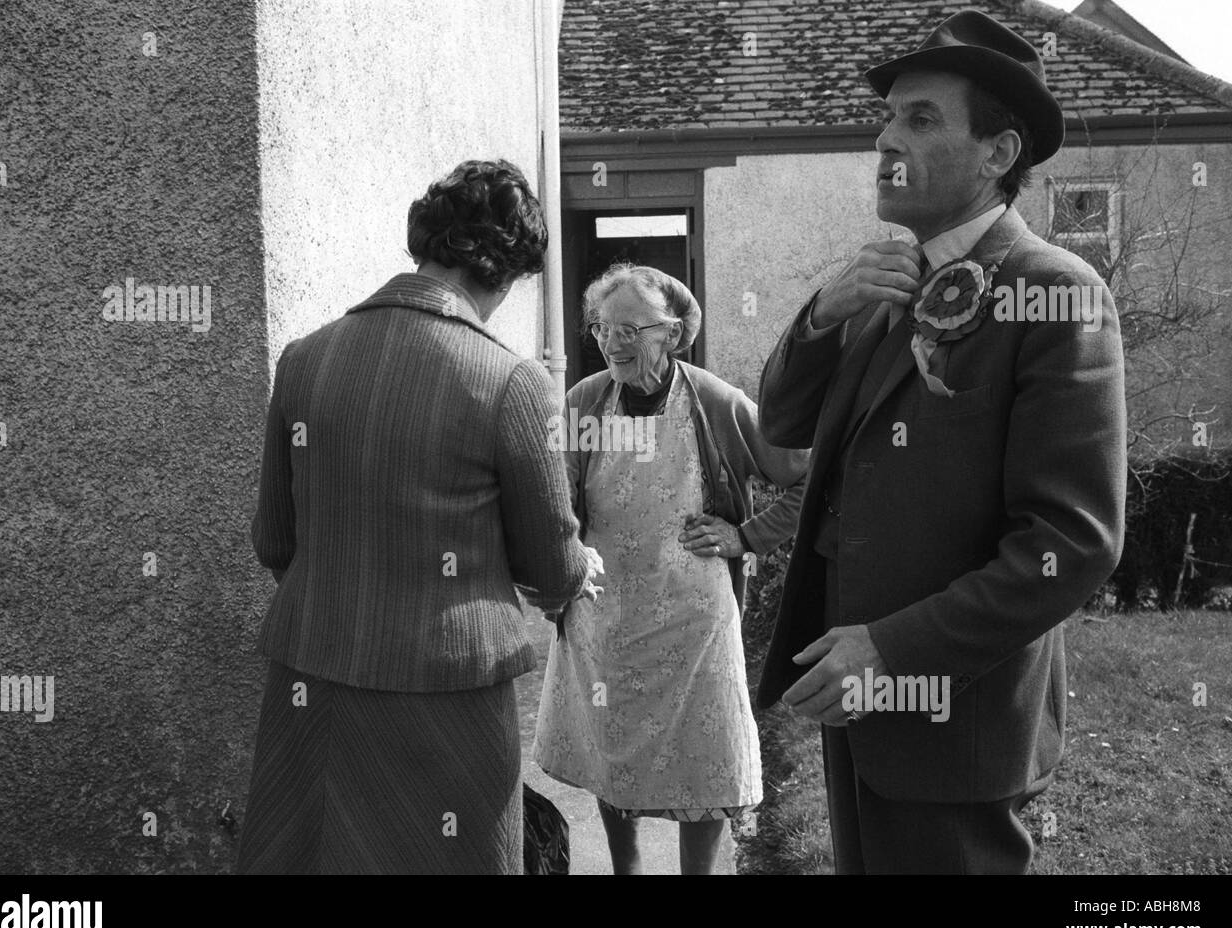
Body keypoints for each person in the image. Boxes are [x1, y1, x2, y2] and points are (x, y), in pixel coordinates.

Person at [755, 10, 1127, 874]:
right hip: (857, 698)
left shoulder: (1055, 293)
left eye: (920, 118)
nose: (887, 136)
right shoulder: (889, 280)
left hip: (951, 716)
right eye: (886, 118)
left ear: (998, 154)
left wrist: (893, 651)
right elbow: (781, 428)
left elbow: (1072, 543)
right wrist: (820, 314)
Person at [239, 159, 600, 874]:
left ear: (425, 242)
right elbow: (551, 567)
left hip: (316, 683)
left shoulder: (304, 359)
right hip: (448, 698)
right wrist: (578, 568)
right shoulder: (510, 381)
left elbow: (275, 540)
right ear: (508, 272)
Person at [534, 263, 810, 874]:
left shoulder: (715, 402)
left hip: (694, 623)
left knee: (704, 760)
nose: (613, 343)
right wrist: (559, 564)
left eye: (633, 330)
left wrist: (746, 537)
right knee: (612, 752)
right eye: (604, 329)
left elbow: (807, 478)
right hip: (604, 620)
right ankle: (627, 868)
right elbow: (557, 500)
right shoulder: (585, 400)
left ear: (674, 332)